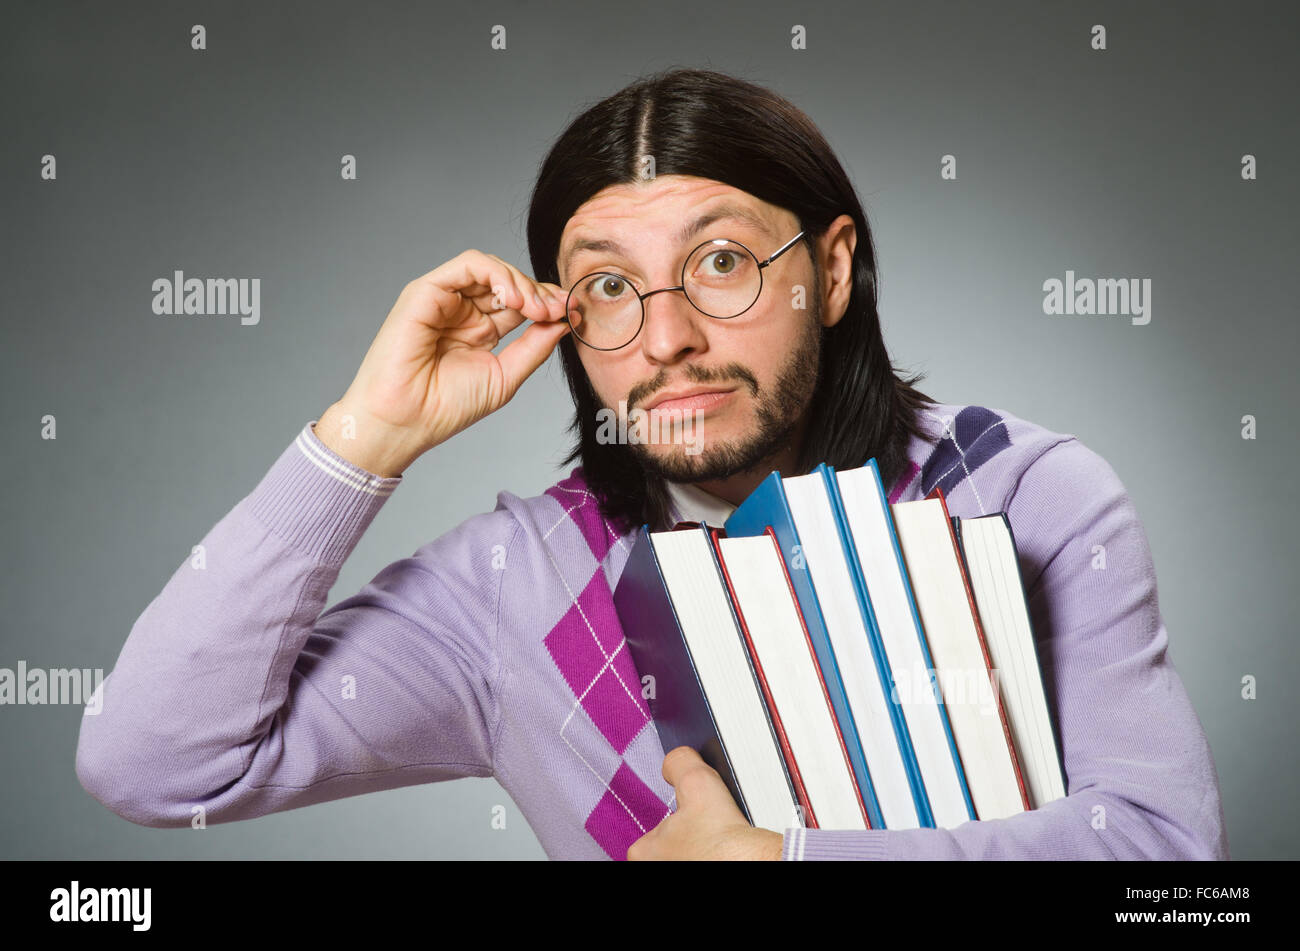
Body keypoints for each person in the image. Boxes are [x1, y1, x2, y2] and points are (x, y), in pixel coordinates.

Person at [74, 67, 1228, 861]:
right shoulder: (508, 592)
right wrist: (363, 441)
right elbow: (154, 763)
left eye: (721, 261)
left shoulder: (1022, 495)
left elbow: (1172, 869)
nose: (667, 337)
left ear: (829, 274)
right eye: (610, 288)